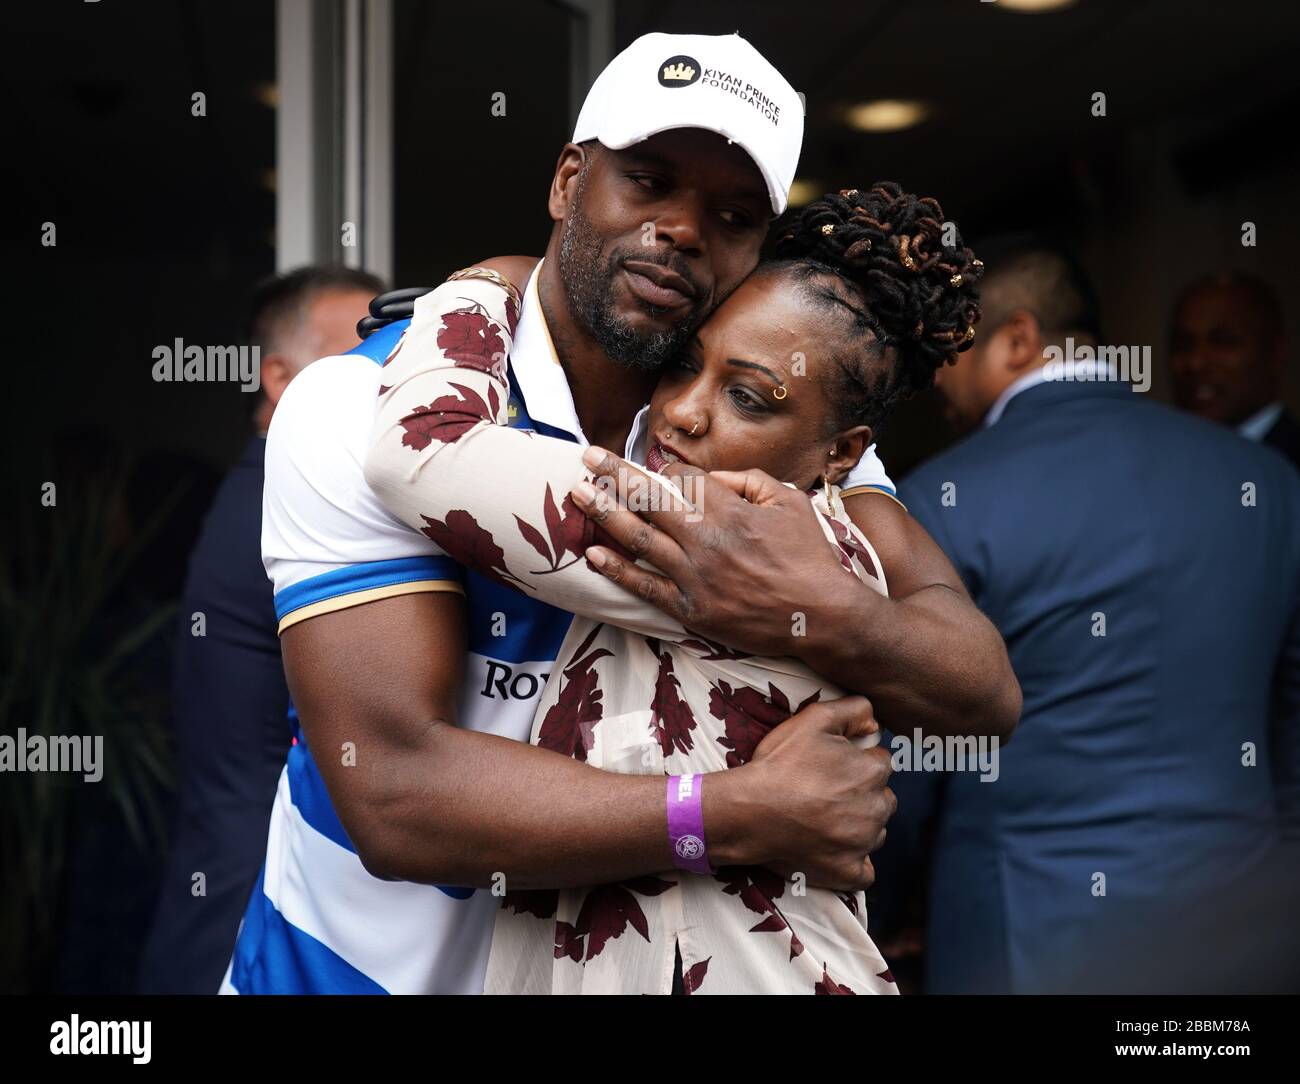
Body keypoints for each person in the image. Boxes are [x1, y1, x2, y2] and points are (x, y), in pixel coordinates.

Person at [223, 32, 1018, 995]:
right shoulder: (357, 402)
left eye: (730, 214)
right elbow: (393, 799)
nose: (682, 230)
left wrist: (818, 610)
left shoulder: (757, 425)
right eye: (647, 181)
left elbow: (979, 688)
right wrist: (738, 811)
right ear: (568, 181)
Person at [364, 182, 987, 994]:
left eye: (749, 398)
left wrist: (485, 288)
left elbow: (419, 451)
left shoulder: (721, 536)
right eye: (686, 364)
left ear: (844, 453)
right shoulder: (833, 533)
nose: (684, 414)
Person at [893, 238, 1300, 992]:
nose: (938, 380)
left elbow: (912, 760)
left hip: (1027, 936)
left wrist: (878, 913)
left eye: (951, 349)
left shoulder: (941, 499)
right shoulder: (1269, 485)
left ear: (1017, 338)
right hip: (1245, 928)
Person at [139, 267, 381, 994]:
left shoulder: (259, 491)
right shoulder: (286, 508)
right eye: (360, 356)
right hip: (243, 919)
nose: (387, 376)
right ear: (278, 378)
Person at [1169, 271, 1300, 469]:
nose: (1195, 363)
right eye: (1183, 344)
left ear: (1275, 352)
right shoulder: (1165, 460)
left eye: (1222, 342)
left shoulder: (1290, 467)